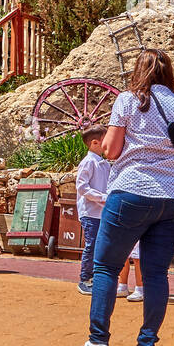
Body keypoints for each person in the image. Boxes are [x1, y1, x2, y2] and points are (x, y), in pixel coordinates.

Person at [65, 49, 174, 346]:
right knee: (156, 273)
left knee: (106, 268)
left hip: (131, 191)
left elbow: (111, 150)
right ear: (169, 74)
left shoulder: (128, 101)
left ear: (139, 72)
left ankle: (98, 342)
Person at [75, 125, 109, 296]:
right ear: (95, 143)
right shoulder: (88, 162)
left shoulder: (104, 164)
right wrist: (103, 197)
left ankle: (97, 278)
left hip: (102, 213)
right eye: (106, 139)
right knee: (92, 245)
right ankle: (85, 279)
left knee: (101, 246)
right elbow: (82, 187)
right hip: (90, 213)